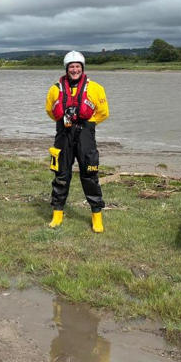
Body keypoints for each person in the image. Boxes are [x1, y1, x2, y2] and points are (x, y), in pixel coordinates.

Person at [45, 50, 109, 232]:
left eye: (77, 66)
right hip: (63, 135)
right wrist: (64, 121)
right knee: (61, 175)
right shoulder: (55, 89)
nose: (74, 70)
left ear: (82, 68)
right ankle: (57, 214)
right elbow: (49, 110)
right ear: (66, 69)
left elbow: (104, 112)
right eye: (71, 67)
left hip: (85, 135)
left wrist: (89, 123)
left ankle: (96, 216)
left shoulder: (96, 88)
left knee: (90, 175)